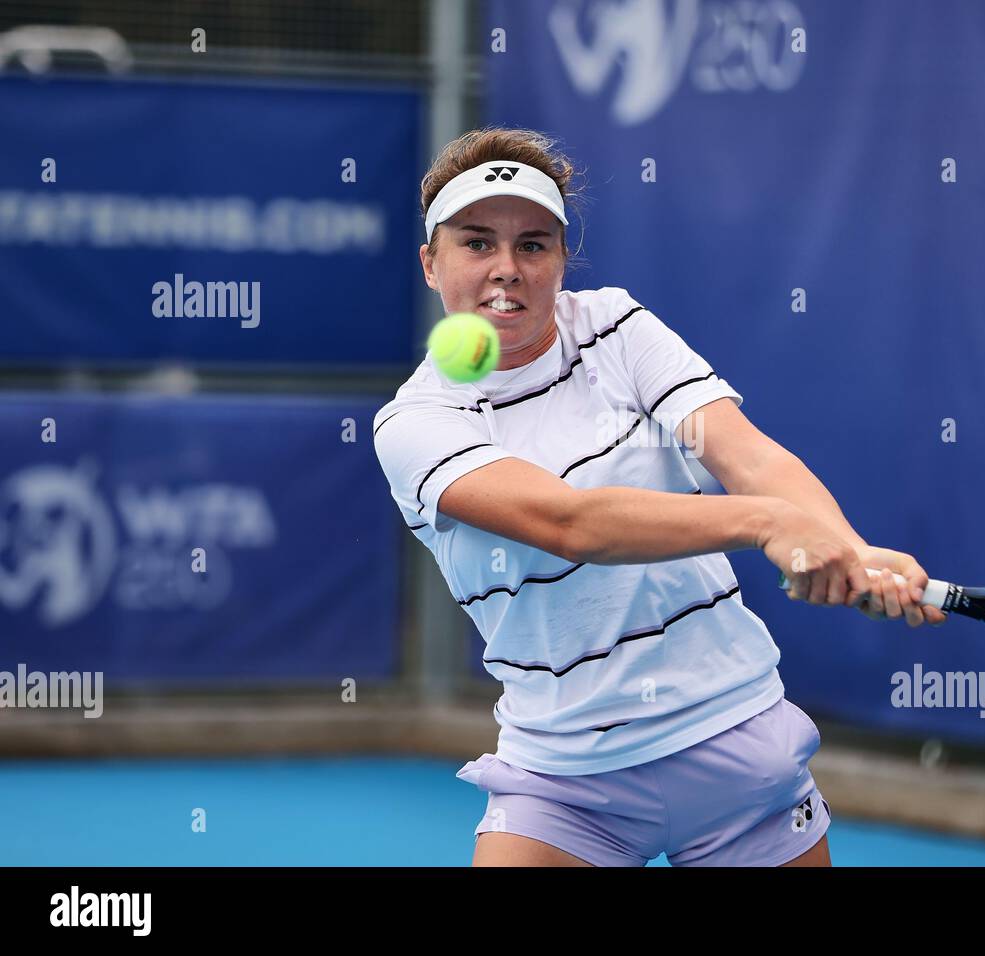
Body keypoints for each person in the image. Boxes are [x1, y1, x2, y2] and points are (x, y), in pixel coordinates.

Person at [373, 127, 946, 867]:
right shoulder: (414, 423)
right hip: (562, 780)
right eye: (477, 244)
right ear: (431, 262)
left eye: (535, 245)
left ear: (561, 258)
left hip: (735, 745)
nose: (507, 270)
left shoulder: (614, 324)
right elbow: (569, 523)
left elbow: (744, 454)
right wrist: (770, 524)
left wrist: (847, 549)